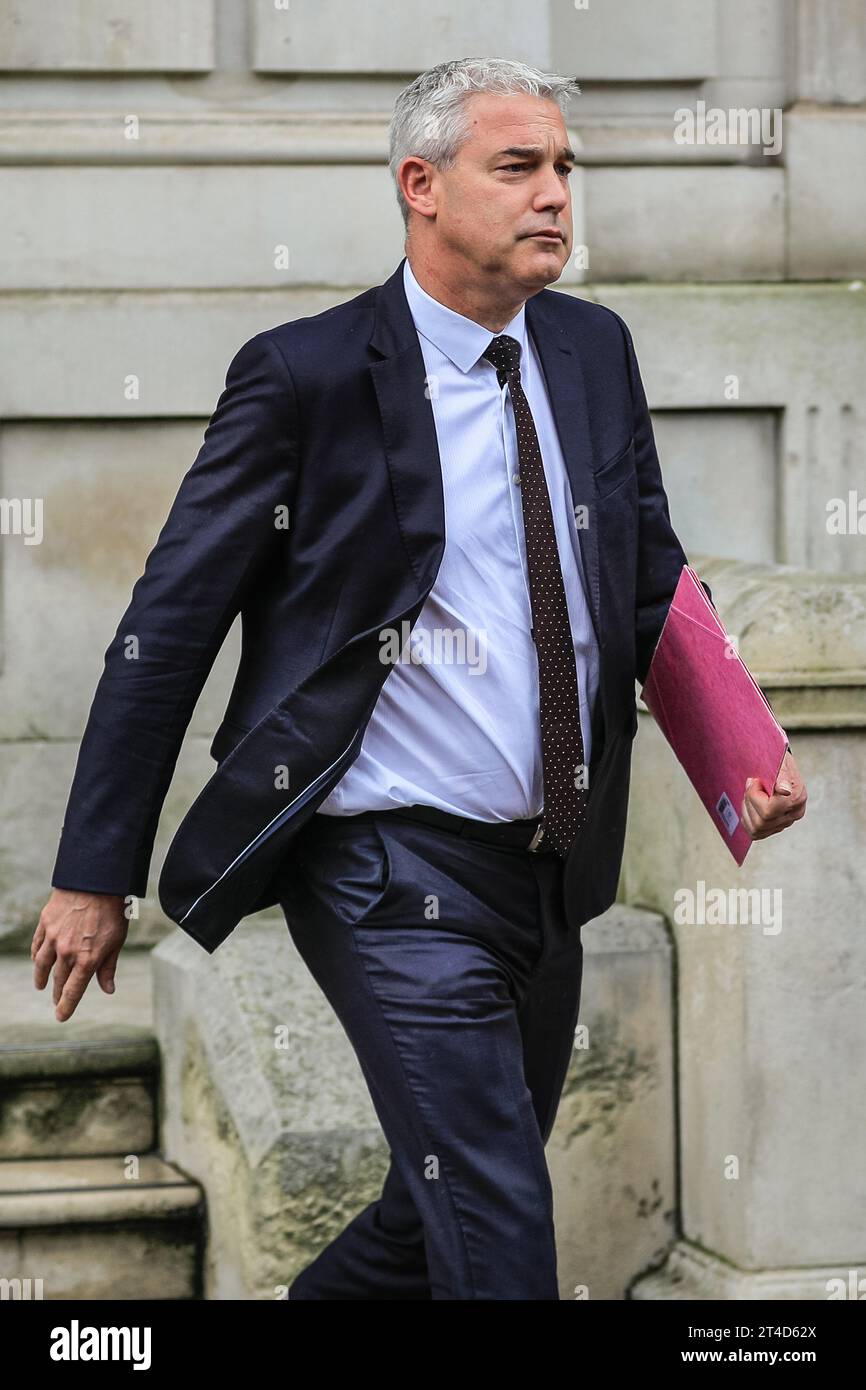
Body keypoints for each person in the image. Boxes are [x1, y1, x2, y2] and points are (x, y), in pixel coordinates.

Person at [33, 57, 807, 1300]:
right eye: (518, 167)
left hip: (547, 862)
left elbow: (648, 572)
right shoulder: (308, 376)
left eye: (564, 167)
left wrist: (735, 753)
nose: (555, 193)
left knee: (433, 1201)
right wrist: (91, 870)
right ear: (420, 186)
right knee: (500, 1230)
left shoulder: (592, 350)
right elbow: (167, 624)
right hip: (384, 865)